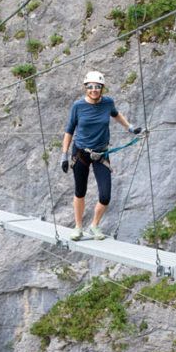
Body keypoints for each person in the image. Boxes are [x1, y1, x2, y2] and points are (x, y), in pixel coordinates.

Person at [60, 70, 142, 240]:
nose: (94, 89)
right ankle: (78, 227)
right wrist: (64, 155)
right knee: (80, 191)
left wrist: (130, 128)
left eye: (97, 87)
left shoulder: (107, 103)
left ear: (102, 88)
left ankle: (94, 225)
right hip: (81, 153)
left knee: (105, 195)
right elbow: (69, 131)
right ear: (85, 88)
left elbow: (116, 114)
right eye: (90, 87)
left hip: (101, 153)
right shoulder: (78, 106)